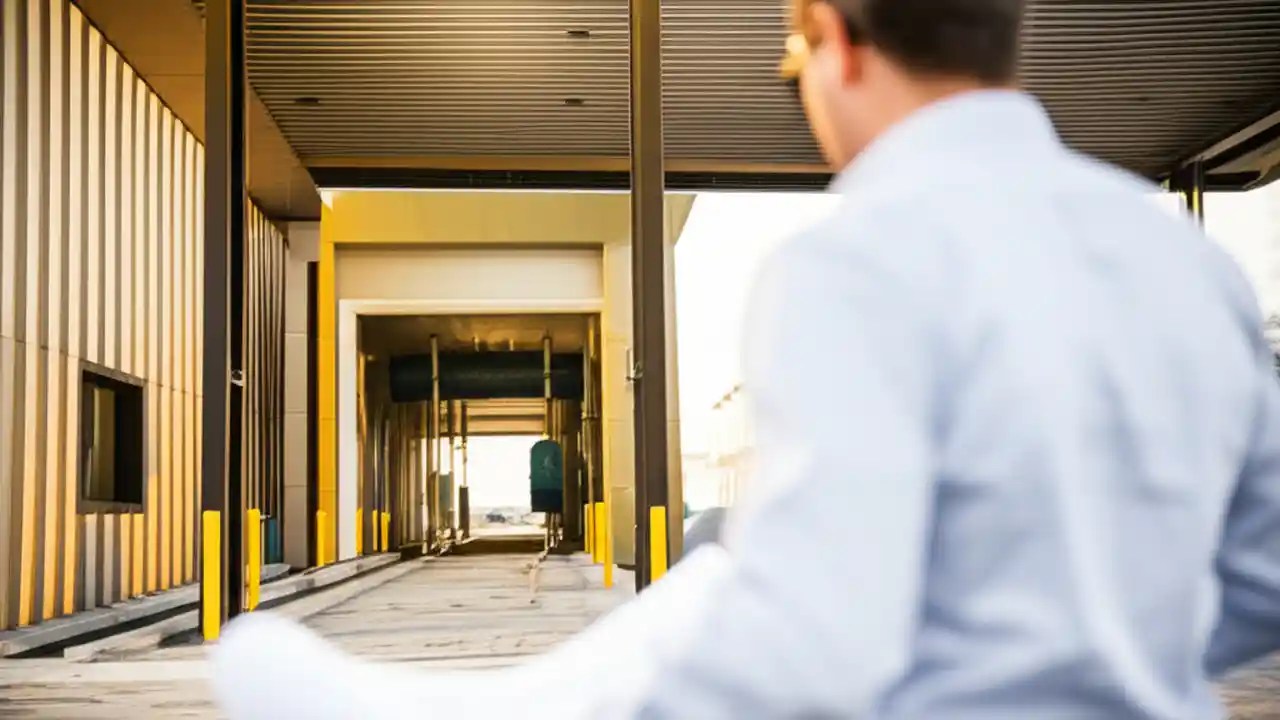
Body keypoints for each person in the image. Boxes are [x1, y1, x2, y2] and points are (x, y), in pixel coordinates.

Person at [213, 0, 1280, 717]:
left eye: (790, 58)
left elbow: (812, 638)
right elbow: (1261, 574)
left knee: (711, 590)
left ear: (832, 35)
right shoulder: (1184, 265)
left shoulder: (859, 259)